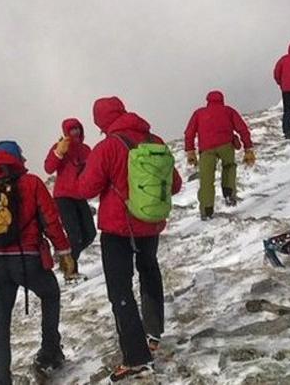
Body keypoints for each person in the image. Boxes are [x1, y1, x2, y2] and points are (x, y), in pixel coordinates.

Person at [74, 97, 182, 382]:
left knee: (120, 290)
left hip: (118, 229)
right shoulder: (154, 140)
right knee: (149, 271)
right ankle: (153, 333)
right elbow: (175, 184)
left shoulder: (108, 146)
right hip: (150, 223)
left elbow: (86, 189)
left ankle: (136, 358)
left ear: (101, 120)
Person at [0, 141, 78, 385]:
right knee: (50, 294)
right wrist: (64, 252)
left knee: (0, 325)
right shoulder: (32, 183)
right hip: (29, 261)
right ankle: (50, 353)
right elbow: (51, 221)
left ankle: (2, 379)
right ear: (16, 158)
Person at [183, 91, 256, 219]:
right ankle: (229, 193)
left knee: (206, 178)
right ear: (222, 99)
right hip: (226, 145)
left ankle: (207, 210)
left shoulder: (199, 113)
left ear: (207, 101)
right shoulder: (228, 111)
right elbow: (242, 129)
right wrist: (248, 148)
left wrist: (190, 151)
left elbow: (189, 133)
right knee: (229, 166)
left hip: (206, 149)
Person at [44, 118, 96, 264]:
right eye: (72, 129)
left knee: (90, 233)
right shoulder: (60, 147)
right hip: (63, 196)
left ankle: (66, 257)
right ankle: (70, 267)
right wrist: (58, 153)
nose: (75, 132)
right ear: (66, 131)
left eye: (77, 128)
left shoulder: (86, 149)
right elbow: (48, 168)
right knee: (75, 236)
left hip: (80, 195)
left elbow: (92, 171)